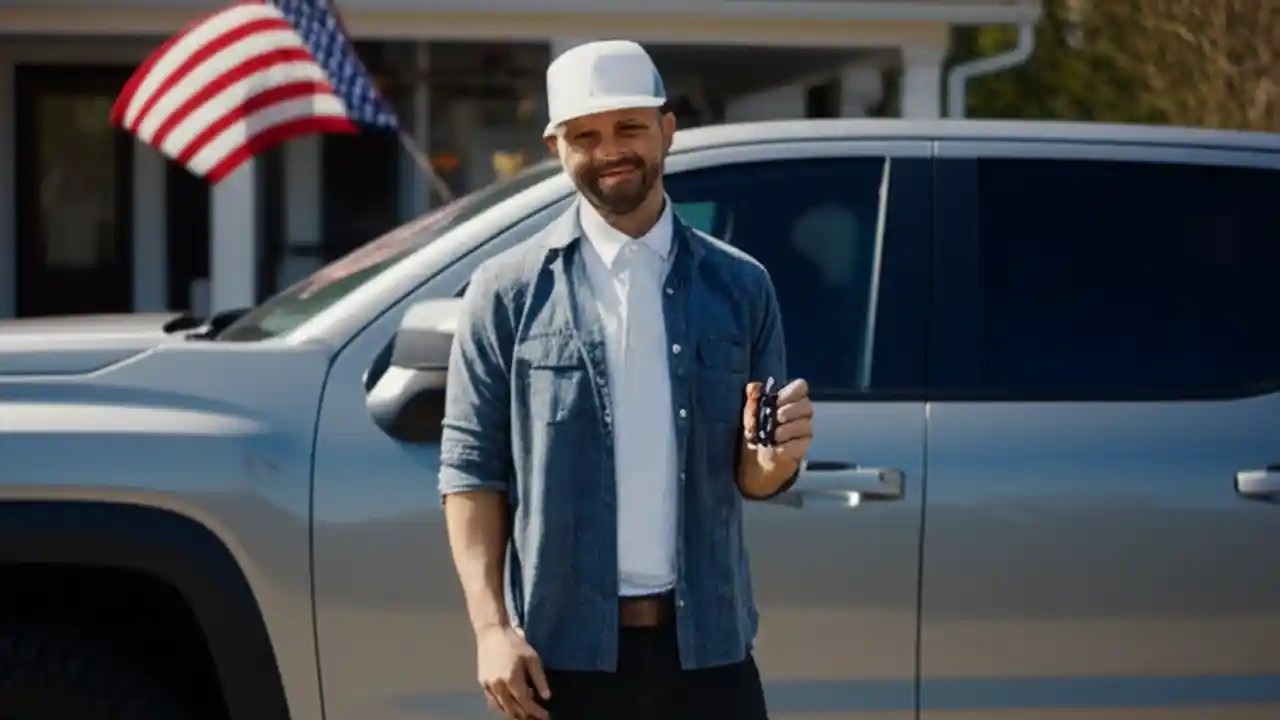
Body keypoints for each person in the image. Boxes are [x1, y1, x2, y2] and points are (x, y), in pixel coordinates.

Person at [438, 39, 815, 720]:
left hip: (710, 657)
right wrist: (492, 630)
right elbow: (470, 470)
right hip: (560, 664)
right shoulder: (506, 292)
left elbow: (756, 475)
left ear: (667, 133)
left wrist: (775, 460)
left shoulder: (740, 286)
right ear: (557, 147)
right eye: (586, 134)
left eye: (629, 128)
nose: (610, 148)